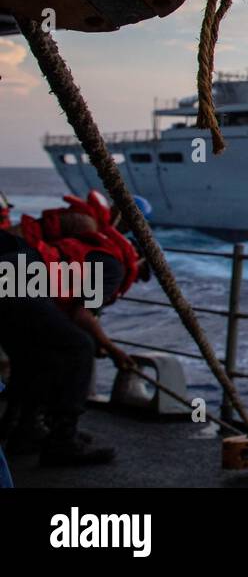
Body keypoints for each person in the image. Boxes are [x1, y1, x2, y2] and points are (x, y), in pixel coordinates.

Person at [0, 190, 145, 466]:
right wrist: (113, 349)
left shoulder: (92, 246)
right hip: (21, 284)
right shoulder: (114, 265)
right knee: (79, 347)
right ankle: (63, 441)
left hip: (12, 278)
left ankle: (23, 430)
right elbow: (82, 315)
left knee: (34, 353)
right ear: (137, 259)